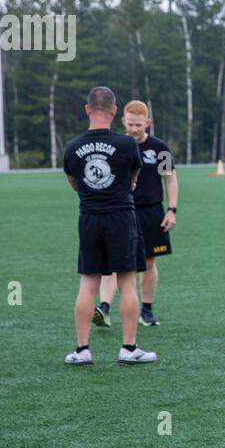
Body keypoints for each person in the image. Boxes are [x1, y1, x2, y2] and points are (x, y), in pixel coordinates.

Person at [62, 87, 156, 365]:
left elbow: (74, 183)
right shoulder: (127, 144)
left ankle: (82, 350)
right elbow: (133, 177)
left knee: (88, 283)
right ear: (115, 112)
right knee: (127, 283)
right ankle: (128, 348)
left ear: (86, 109)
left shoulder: (72, 147)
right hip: (121, 218)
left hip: (89, 218)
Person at [96, 101, 178, 328]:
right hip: (120, 211)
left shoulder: (159, 148)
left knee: (149, 263)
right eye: (130, 124)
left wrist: (172, 210)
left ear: (148, 123)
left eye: (139, 125)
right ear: (123, 121)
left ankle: (147, 310)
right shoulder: (115, 146)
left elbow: (169, 179)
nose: (134, 129)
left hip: (151, 211)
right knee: (114, 261)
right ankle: (103, 309)